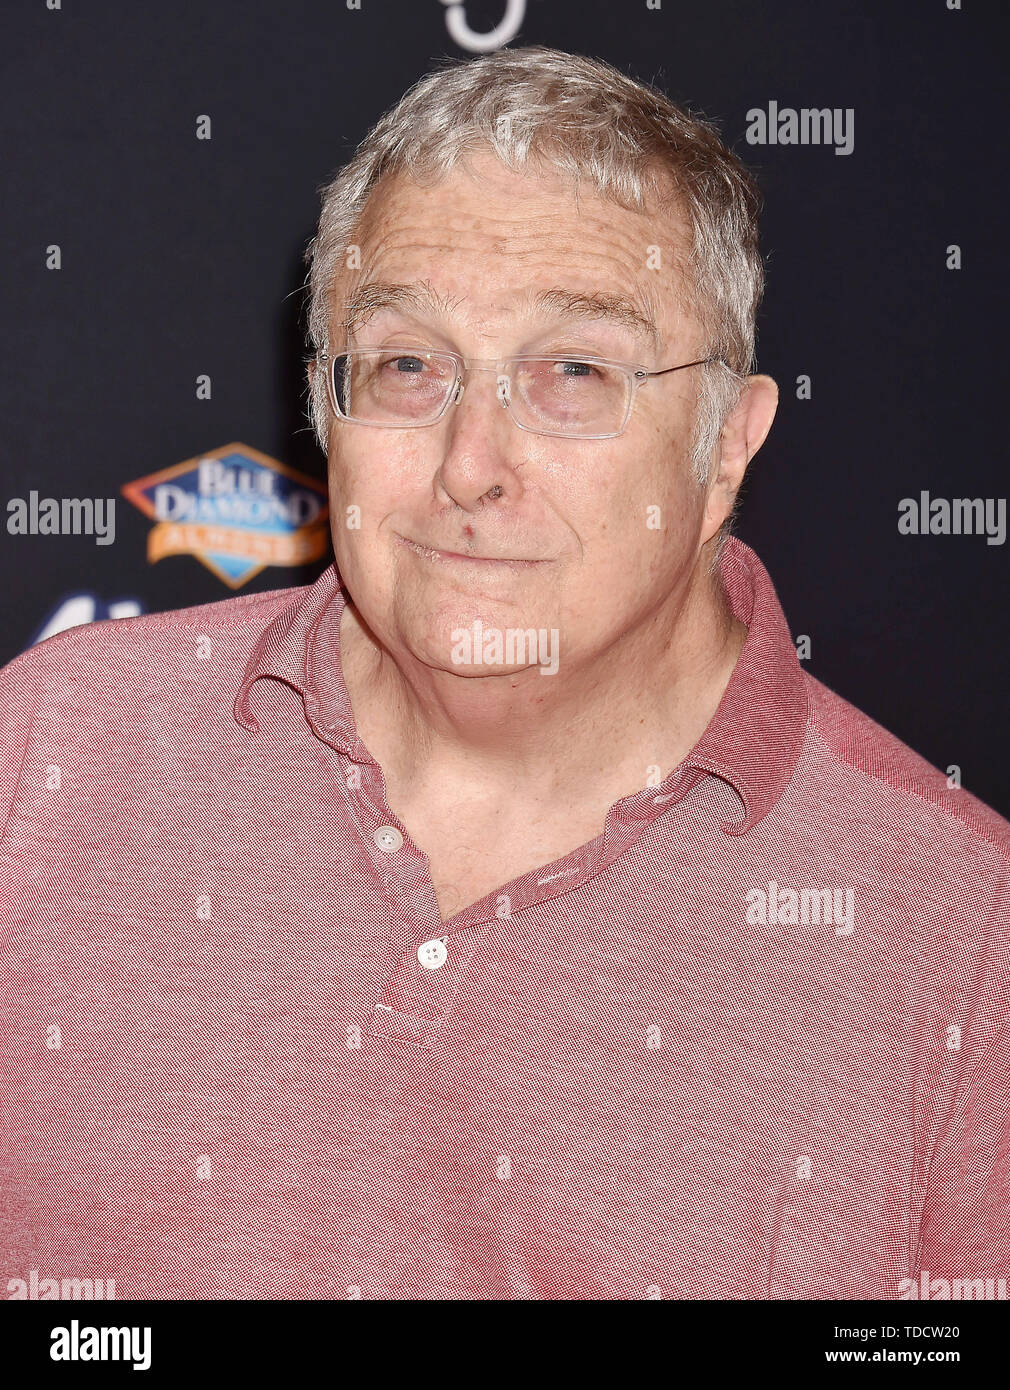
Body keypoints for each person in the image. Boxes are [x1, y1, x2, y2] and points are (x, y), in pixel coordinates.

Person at [2, 46, 1007, 1301]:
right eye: (408, 366)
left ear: (725, 450)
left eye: (573, 373)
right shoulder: (38, 759)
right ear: (322, 406)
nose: (471, 463)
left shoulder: (968, 939)